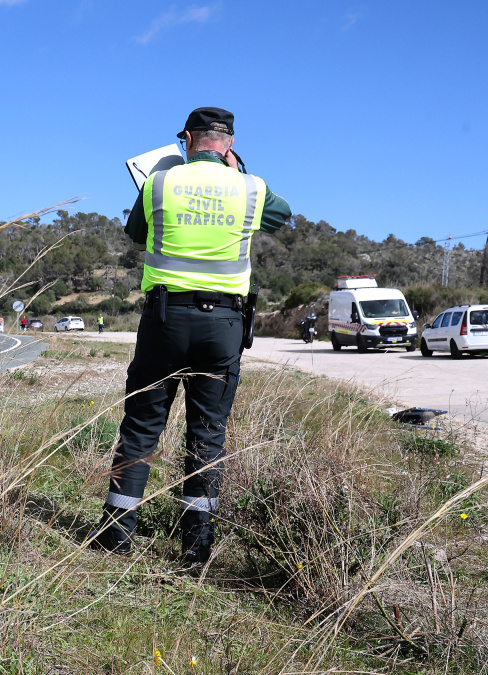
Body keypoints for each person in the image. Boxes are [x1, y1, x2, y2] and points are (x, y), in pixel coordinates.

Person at [91, 107, 292, 564]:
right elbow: (282, 215)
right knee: (207, 434)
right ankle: (196, 547)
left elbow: (136, 234)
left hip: (166, 319)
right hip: (224, 324)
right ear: (230, 144)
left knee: (141, 426)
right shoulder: (251, 187)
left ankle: (116, 535)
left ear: (187, 138)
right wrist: (238, 173)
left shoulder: (160, 182)